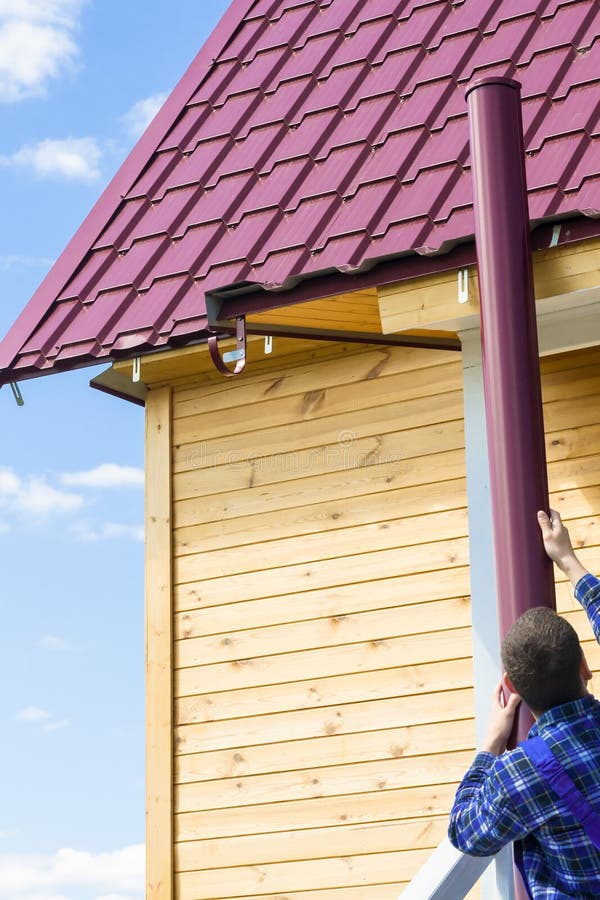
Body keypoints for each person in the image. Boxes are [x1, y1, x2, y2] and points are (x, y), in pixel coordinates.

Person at [448, 509, 600, 898]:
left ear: (511, 685)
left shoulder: (520, 773)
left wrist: (490, 747)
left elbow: (465, 832)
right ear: (585, 666)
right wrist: (569, 562)